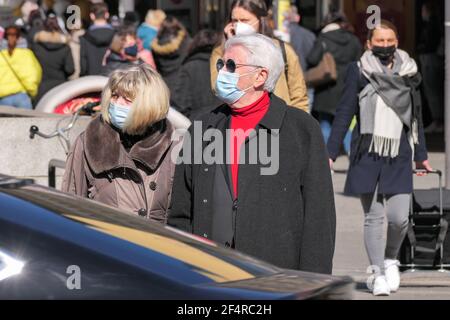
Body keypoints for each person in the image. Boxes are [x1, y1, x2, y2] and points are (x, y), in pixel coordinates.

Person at [168, 33, 336, 274]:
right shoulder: (203, 126)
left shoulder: (301, 129)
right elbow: (181, 211)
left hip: (275, 276)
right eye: (220, 64)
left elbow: (319, 218)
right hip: (209, 272)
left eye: (231, 65)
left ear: (260, 76)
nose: (222, 71)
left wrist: (313, 282)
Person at [327, 21, 432, 296]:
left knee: (399, 218)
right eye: (379, 40)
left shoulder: (410, 72)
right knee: (373, 217)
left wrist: (421, 156)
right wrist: (331, 151)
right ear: (369, 43)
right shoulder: (359, 71)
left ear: (397, 41)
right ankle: (376, 272)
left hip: (399, 151)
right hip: (367, 151)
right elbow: (345, 110)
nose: (385, 45)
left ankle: (390, 259)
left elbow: (416, 117)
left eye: (390, 40)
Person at [62, 64, 177, 224]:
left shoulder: (174, 145)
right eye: (115, 96)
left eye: (127, 99)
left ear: (149, 105)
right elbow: (71, 205)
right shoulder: (88, 142)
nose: (117, 104)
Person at [210, 0, 309, 112]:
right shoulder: (221, 51)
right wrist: (231, 48)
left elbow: (299, 95)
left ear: (260, 20)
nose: (238, 25)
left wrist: (295, 125)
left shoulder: (282, 49)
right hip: (239, 120)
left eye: (244, 20)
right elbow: (217, 88)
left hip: (279, 122)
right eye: (234, 21)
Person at [307, 12, 362, 156]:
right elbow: (359, 62)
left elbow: (312, 59)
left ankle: (327, 159)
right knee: (348, 123)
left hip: (327, 87)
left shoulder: (323, 38)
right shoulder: (354, 39)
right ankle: (352, 154)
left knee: (325, 123)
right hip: (348, 86)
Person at [171, 29, 222, 120]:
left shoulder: (188, 67)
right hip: (223, 123)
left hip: (196, 125)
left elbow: (179, 104)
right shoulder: (224, 66)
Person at [32, 14, 74, 103]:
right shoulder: (65, 47)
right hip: (60, 87)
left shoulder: (36, 47)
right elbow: (70, 69)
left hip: (41, 86)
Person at [418, 1, 444, 133]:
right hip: (431, 57)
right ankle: (438, 120)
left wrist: (421, 48)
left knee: (433, 90)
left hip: (430, 58)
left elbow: (430, 42)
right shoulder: (435, 23)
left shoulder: (432, 24)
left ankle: (438, 120)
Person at [0, 25, 42, 109]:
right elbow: (35, 74)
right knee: (26, 121)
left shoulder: (1, 55)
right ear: (19, 38)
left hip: (3, 97)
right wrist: (32, 91)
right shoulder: (27, 54)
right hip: (22, 96)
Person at [285, 5, 316, 111]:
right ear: (297, 18)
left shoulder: (278, 36)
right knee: (304, 117)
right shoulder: (309, 35)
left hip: (283, 82)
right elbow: (313, 59)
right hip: (304, 81)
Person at [151, 16, 191, 94]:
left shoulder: (156, 44)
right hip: (183, 82)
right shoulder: (186, 41)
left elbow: (157, 64)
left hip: (164, 84)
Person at [80, 2, 115, 76]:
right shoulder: (116, 35)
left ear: (92, 16)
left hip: (92, 78)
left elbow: (83, 64)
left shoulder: (84, 37)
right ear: (107, 15)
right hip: (112, 77)